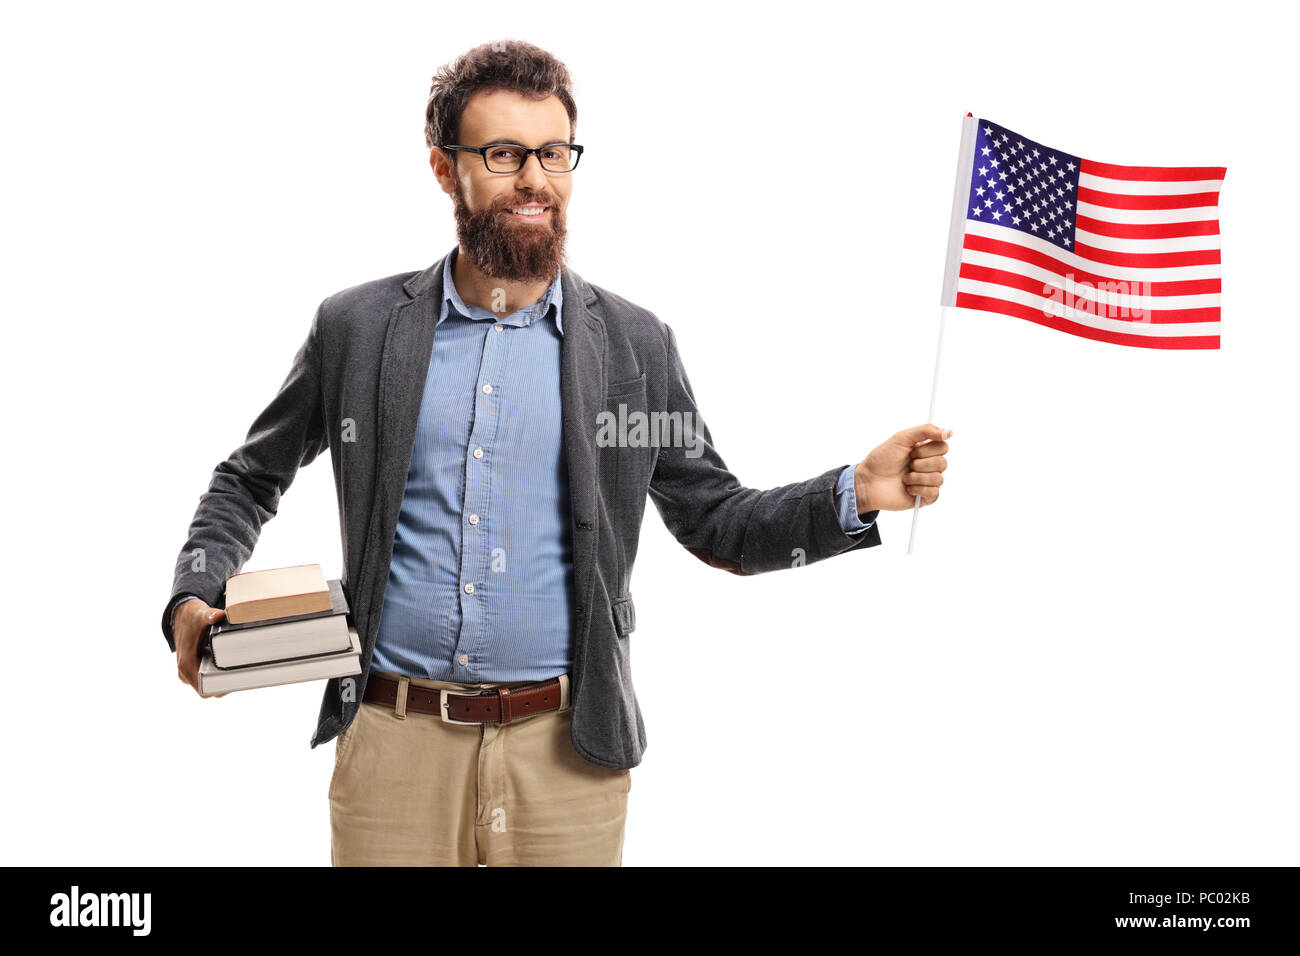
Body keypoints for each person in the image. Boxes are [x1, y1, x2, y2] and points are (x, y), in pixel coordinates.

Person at [161, 39, 952, 866]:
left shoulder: (634, 348)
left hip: (568, 754)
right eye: (503, 154)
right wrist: (195, 591)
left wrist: (854, 492)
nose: (535, 179)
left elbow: (717, 521)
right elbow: (250, 477)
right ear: (445, 168)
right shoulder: (358, 330)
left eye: (552, 153)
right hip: (393, 743)